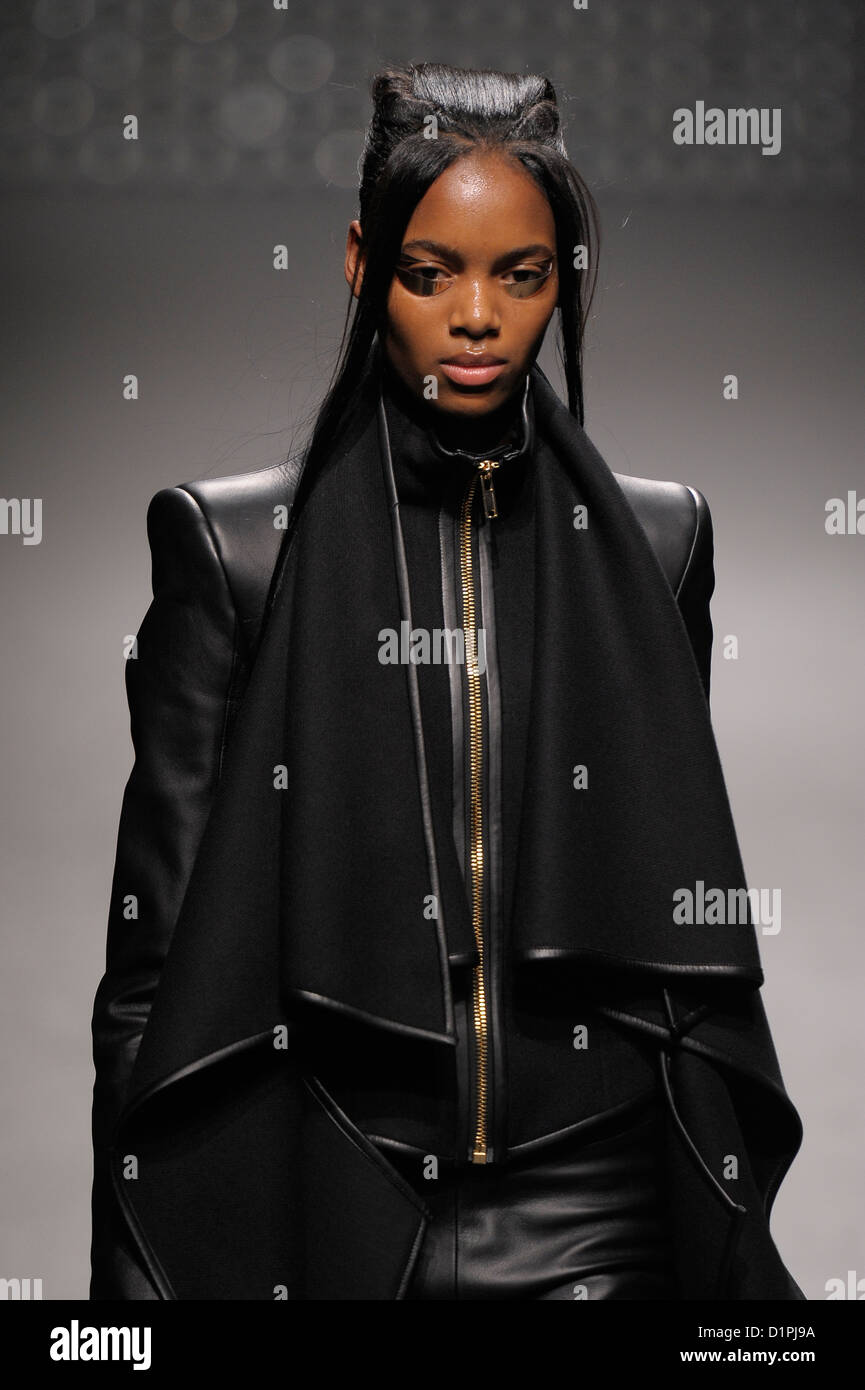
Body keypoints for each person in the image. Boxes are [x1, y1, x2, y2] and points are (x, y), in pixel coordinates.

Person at [89, 62, 805, 1301]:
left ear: (561, 280)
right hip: (330, 1187)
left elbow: (660, 893)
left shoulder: (657, 545)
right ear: (362, 264)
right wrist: (137, 1268)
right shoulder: (232, 552)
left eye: (520, 274)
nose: (475, 315)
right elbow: (154, 964)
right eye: (431, 273)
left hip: (598, 1202)